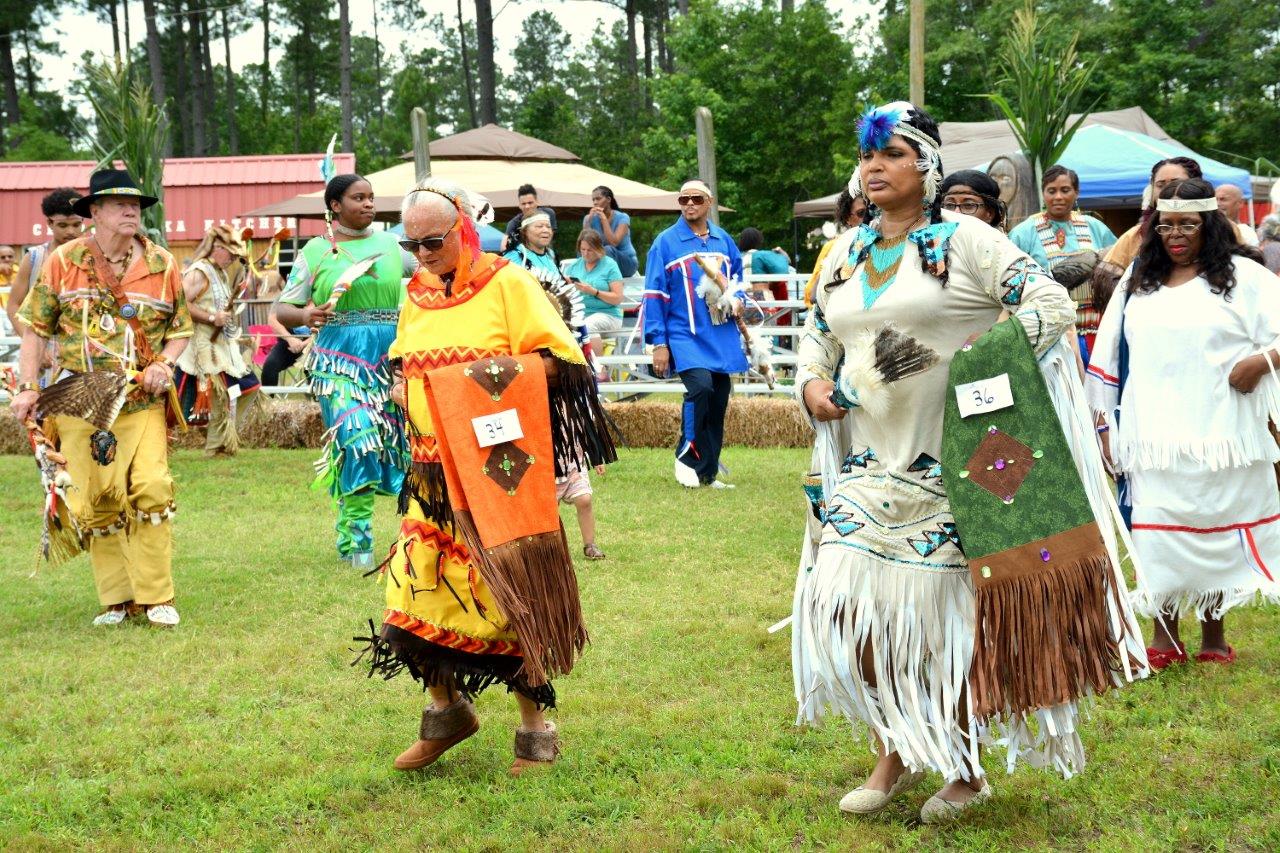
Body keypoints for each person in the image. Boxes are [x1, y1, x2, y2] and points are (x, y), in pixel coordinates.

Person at [792, 102, 1125, 822]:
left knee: (945, 622)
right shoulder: (845, 254)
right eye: (868, 157)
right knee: (861, 618)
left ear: (928, 167)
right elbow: (819, 332)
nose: (875, 167)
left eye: (894, 155)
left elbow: (1048, 305)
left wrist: (976, 364)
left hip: (956, 460)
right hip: (863, 467)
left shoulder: (967, 241)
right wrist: (814, 384)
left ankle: (966, 766)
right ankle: (895, 748)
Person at [360, 178, 614, 776]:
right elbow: (405, 359)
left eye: (433, 241)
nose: (422, 254)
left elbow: (563, 362)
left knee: (509, 597)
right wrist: (404, 386)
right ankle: (446, 714)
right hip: (430, 472)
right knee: (415, 591)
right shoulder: (415, 294)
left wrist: (469, 384)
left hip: (498, 472)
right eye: (411, 244)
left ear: (464, 232)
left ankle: (536, 732)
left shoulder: (507, 283)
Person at [1088, 178, 1280, 669]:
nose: (1176, 234)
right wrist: (1106, 427)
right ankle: (1164, 637)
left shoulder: (1243, 277)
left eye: (1187, 224)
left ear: (1209, 226)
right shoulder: (1138, 280)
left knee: (1213, 528)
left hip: (1224, 436)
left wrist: (1262, 362)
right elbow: (1108, 353)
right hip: (1151, 437)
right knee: (1159, 536)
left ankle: (1214, 637)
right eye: (1166, 224)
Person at [11, 168, 192, 627]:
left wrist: (164, 364)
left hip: (139, 399)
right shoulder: (63, 261)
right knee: (96, 498)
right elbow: (35, 328)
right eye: (118, 204)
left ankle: (157, 598)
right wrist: (29, 387)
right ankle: (117, 599)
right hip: (79, 400)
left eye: (135, 204)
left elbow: (181, 330)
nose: (131, 210)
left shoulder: (162, 263)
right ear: (94, 212)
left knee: (151, 486)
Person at [275, 173, 411, 568]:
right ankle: (357, 542)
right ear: (335, 205)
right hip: (339, 359)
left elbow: (430, 277)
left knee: (404, 443)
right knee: (356, 439)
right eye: (358, 198)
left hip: (392, 356)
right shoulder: (316, 251)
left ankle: (418, 536)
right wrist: (304, 313)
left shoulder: (391, 244)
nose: (369, 204)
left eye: (371, 198)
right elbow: (283, 307)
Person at [643, 179, 748, 489]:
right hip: (682, 332)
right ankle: (685, 457)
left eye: (696, 199)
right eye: (684, 199)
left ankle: (707, 472)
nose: (689, 204)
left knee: (718, 399)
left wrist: (738, 300)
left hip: (719, 331)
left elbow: (739, 281)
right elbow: (654, 293)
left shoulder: (723, 240)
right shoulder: (666, 242)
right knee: (700, 387)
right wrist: (658, 342)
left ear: (709, 202)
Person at [173, 224, 263, 455]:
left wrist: (226, 322)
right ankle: (216, 446)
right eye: (230, 253)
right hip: (204, 349)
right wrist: (212, 317)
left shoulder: (220, 273)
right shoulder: (198, 272)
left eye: (236, 255)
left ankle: (220, 443)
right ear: (217, 247)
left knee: (248, 388)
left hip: (223, 347)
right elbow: (181, 306)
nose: (233, 258)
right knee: (220, 396)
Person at [1009, 165, 1117, 273]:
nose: (1058, 197)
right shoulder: (1023, 233)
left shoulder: (1095, 227)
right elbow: (1011, 275)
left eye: (1065, 190)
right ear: (1043, 194)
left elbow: (1118, 261)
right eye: (1051, 191)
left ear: (1076, 193)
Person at [5, 189, 82, 337]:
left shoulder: (92, 256)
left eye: (76, 224)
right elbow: (14, 305)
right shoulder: (34, 258)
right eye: (63, 226)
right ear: (49, 223)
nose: (71, 231)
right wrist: (31, 344)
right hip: (42, 341)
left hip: (81, 347)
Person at [1104, 157, 1204, 272]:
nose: (1167, 190)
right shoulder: (1136, 236)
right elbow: (1107, 276)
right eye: (1160, 185)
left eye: (1176, 183)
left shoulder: (1221, 230)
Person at [564, 228, 624, 370]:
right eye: (582, 249)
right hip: (580, 314)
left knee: (587, 325)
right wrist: (567, 286)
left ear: (598, 248)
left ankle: (598, 370)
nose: (585, 254)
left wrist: (593, 291)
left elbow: (617, 298)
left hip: (608, 315)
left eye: (589, 250)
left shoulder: (610, 265)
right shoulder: (574, 266)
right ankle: (574, 372)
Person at [804, 190, 865, 306]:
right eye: (862, 213)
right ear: (848, 218)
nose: (869, 218)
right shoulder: (841, 247)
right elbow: (814, 295)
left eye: (875, 211)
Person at [582, 185, 638, 276]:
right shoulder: (589, 218)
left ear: (608, 199)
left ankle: (605, 278)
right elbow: (584, 244)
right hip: (602, 261)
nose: (595, 202)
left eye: (598, 199)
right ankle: (585, 275)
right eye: (593, 200)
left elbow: (613, 242)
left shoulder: (623, 218)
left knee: (608, 249)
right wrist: (588, 221)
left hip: (627, 264)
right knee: (583, 249)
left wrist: (603, 219)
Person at [940, 169, 1007, 231]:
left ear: (990, 214)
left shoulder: (999, 243)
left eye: (968, 205)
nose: (956, 213)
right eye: (949, 205)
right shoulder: (933, 241)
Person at [500, 184, 557, 252]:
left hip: (546, 253)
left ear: (537, 202)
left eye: (530, 203)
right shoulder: (513, 222)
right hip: (524, 256)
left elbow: (548, 238)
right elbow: (503, 247)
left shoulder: (548, 213)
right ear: (519, 205)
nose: (527, 206)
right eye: (523, 204)